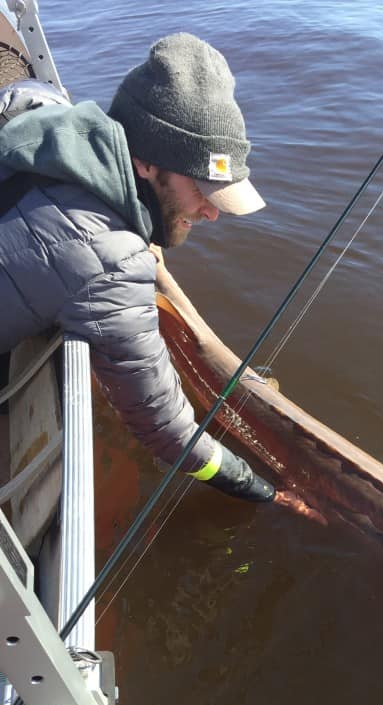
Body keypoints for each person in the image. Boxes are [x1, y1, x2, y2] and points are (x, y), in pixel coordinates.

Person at [0, 31, 300, 509]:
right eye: (202, 189)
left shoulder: (50, 124)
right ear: (143, 163)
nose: (211, 212)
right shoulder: (110, 261)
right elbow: (166, 429)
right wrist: (261, 491)